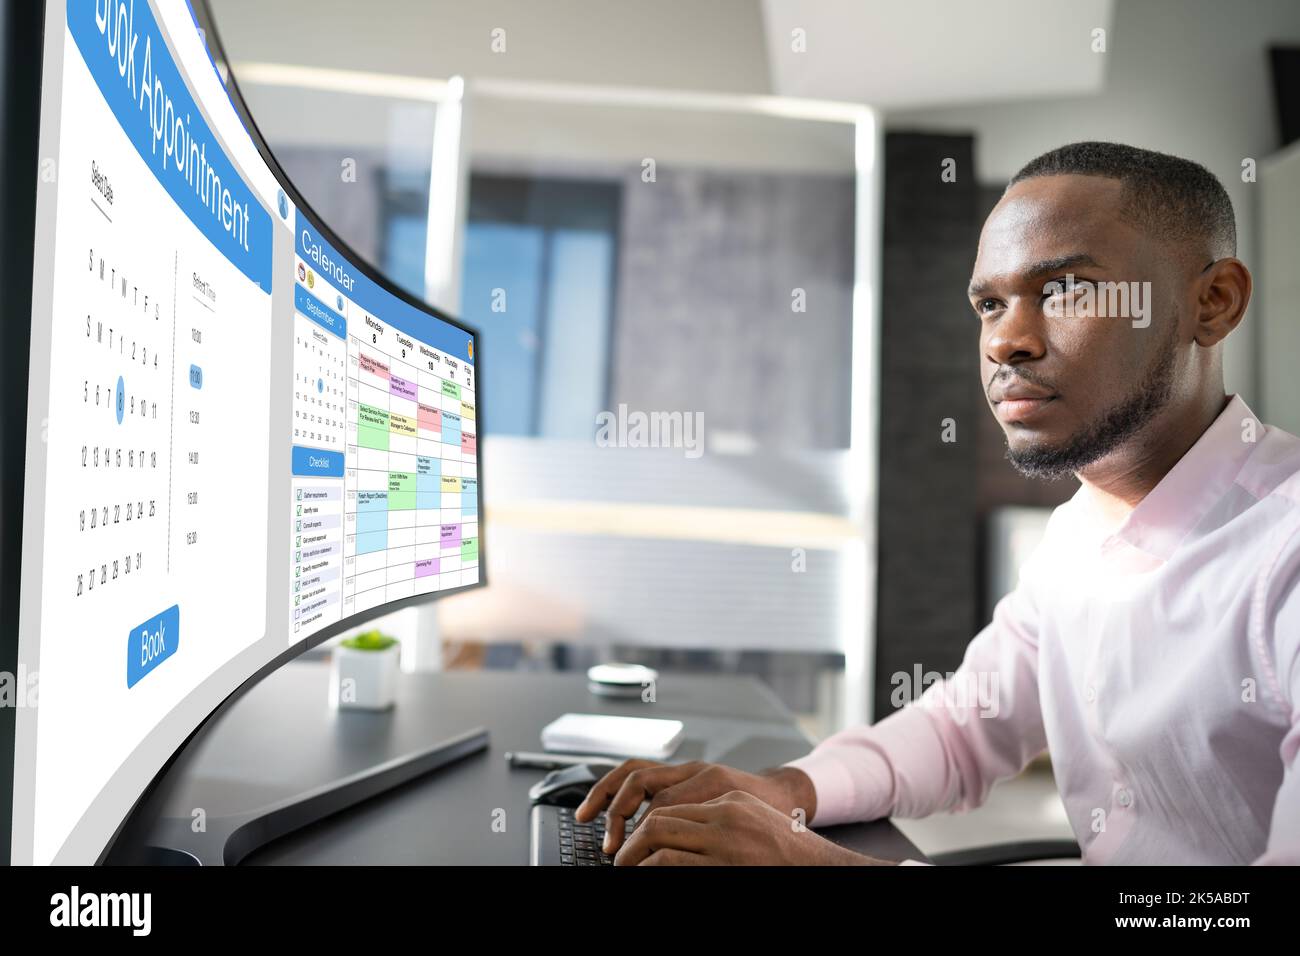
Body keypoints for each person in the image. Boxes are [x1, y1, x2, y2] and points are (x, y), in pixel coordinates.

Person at [576, 142, 1300, 866]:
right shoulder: (1076, 538)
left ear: (1214, 303)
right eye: (991, 304)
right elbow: (960, 727)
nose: (1007, 341)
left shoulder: (1284, 547)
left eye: (1067, 289)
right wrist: (785, 790)